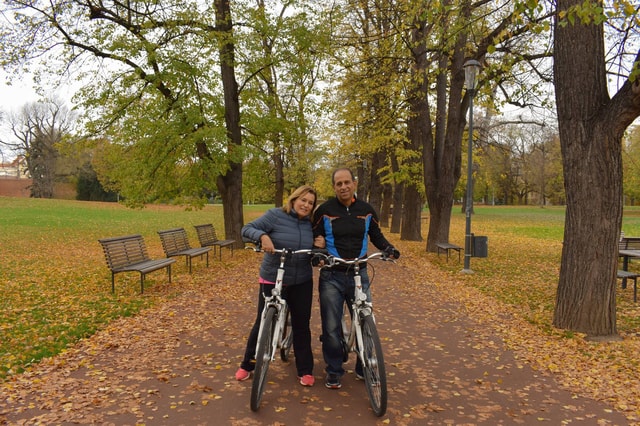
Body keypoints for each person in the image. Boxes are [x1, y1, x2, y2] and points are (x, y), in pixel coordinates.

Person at [313, 167, 400, 389]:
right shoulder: (324, 210)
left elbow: (376, 235)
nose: (343, 187)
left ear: (354, 183)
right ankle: (334, 370)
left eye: (347, 182)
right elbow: (315, 237)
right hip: (332, 275)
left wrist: (388, 248)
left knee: (365, 321)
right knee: (331, 326)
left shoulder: (366, 210)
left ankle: (365, 367)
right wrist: (318, 254)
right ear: (334, 187)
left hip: (359, 273)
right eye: (339, 184)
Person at [236, 185, 324, 387]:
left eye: (310, 203)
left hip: (301, 280)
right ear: (294, 199)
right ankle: (248, 364)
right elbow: (246, 229)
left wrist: (319, 246)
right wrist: (263, 236)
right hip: (273, 276)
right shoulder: (275, 215)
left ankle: (305, 369)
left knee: (301, 324)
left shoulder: (311, 223)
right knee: (262, 321)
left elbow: (316, 248)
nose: (306, 205)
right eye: (303, 200)